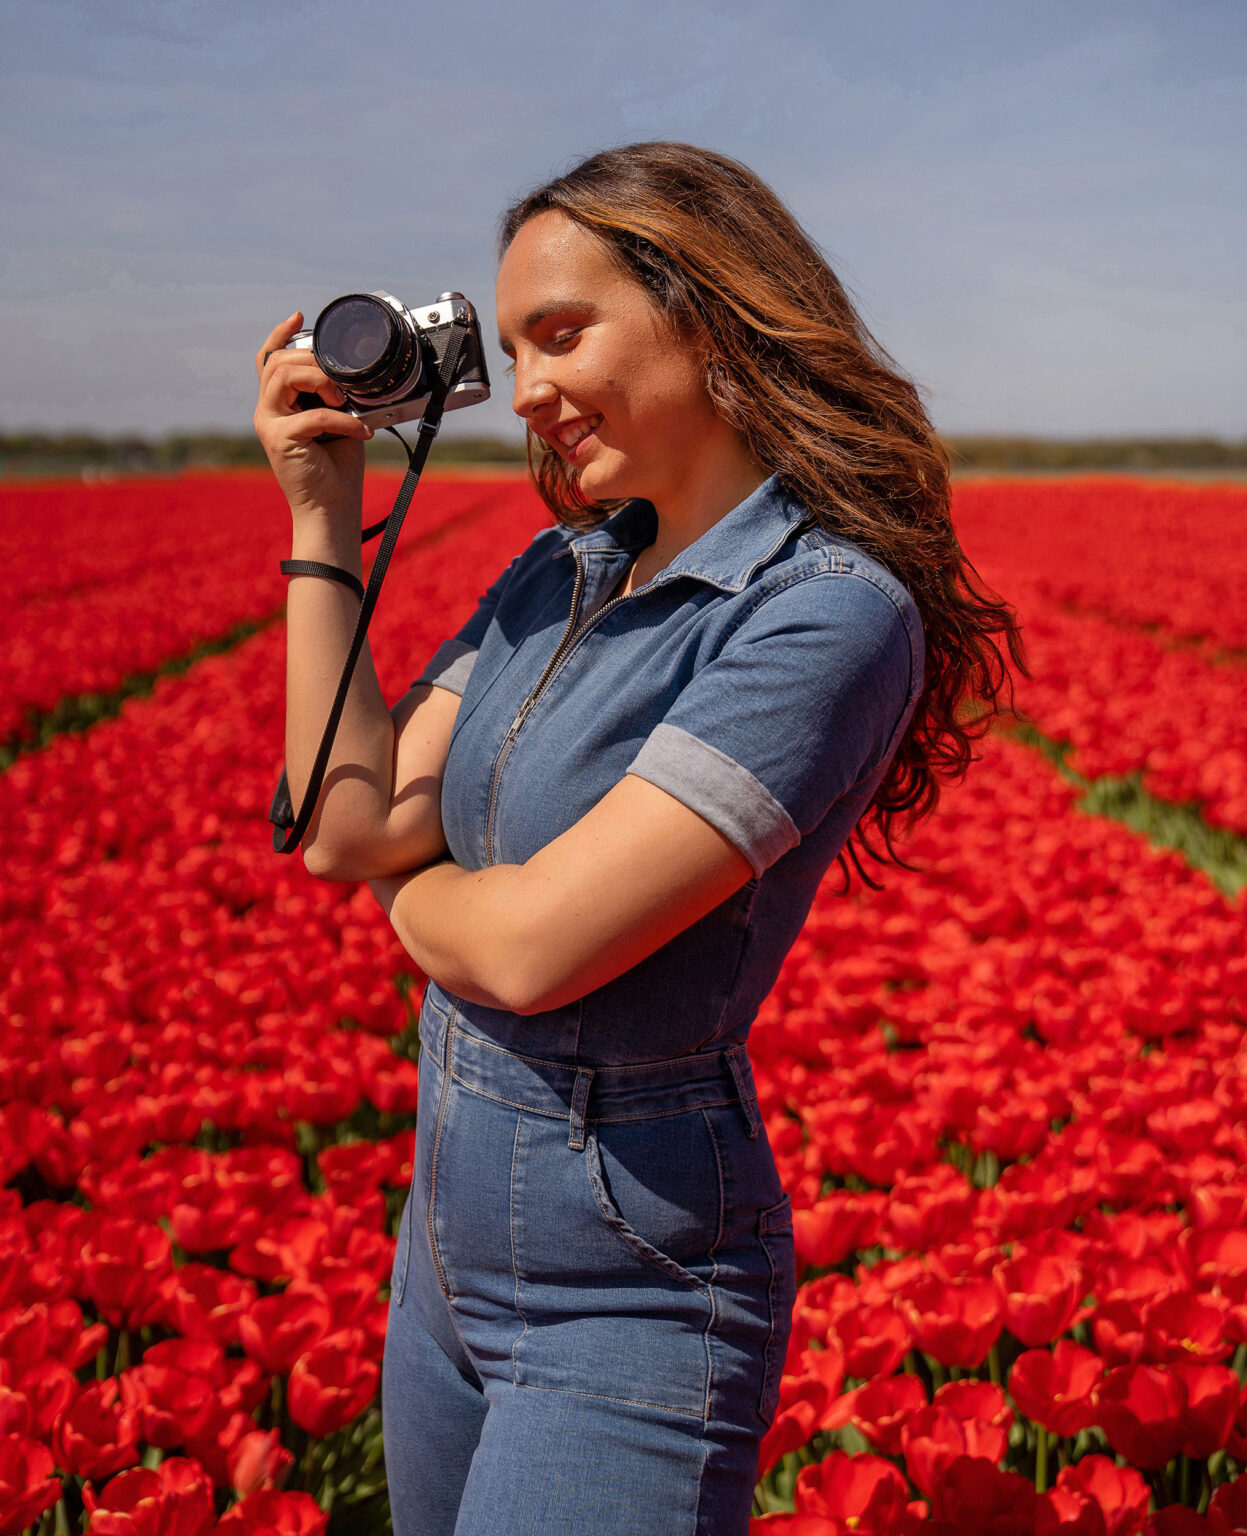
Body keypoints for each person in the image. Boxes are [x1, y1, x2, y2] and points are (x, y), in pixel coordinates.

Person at [253, 141, 1024, 1536]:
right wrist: (321, 519)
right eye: (511, 347)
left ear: (712, 317)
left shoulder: (826, 613)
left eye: (564, 333)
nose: (529, 389)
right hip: (441, 1257)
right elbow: (344, 826)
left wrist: (417, 907)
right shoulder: (563, 570)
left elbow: (537, 951)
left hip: (627, 1281)